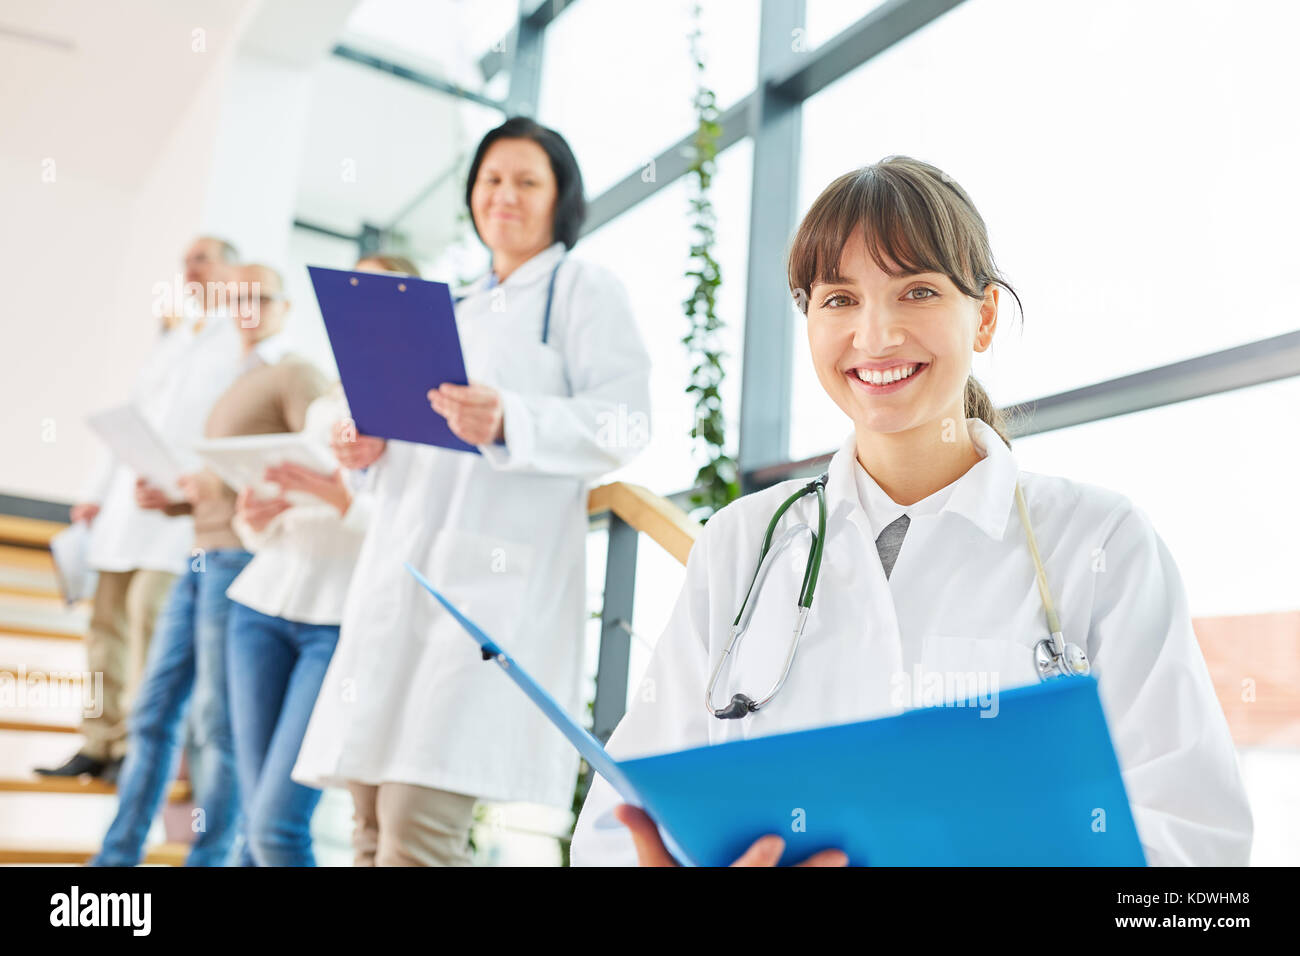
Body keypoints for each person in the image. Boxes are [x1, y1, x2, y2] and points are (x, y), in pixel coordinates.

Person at [570, 156, 1253, 867]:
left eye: (917, 291)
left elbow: (1195, 843)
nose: (875, 335)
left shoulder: (1100, 542)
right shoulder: (740, 545)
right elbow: (615, 829)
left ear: (983, 317)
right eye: (838, 299)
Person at [292, 117, 653, 866]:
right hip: (399, 574)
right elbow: (403, 455)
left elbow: (628, 421)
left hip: (485, 592)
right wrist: (366, 450)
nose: (505, 196)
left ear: (561, 199)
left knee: (418, 833)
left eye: (527, 181)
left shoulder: (581, 289)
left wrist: (512, 418)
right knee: (366, 825)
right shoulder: (447, 304)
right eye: (492, 179)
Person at [91, 264, 329, 866]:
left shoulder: (294, 372)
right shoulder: (230, 379)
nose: (247, 306)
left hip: (242, 562)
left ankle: (210, 856)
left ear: (284, 307)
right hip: (196, 555)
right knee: (152, 713)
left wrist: (226, 484)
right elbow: (225, 479)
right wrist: (177, 497)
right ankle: (116, 859)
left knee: (219, 727)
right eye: (238, 297)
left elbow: (320, 462)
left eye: (260, 296)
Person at [221, 254, 416, 866]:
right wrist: (253, 521)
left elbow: (405, 531)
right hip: (259, 606)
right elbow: (278, 522)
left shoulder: (418, 403)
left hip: (336, 624)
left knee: (277, 825)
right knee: (254, 821)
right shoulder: (325, 399)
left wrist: (334, 496)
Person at [38, 237, 243, 782]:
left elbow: (222, 435)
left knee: (148, 617)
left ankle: (135, 749)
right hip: (125, 507)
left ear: (232, 269)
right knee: (105, 625)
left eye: (204, 259)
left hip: (178, 513)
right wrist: (93, 494)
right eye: (186, 262)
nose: (192, 270)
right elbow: (128, 419)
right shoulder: (174, 337)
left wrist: (183, 490)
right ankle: (98, 741)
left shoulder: (237, 346)